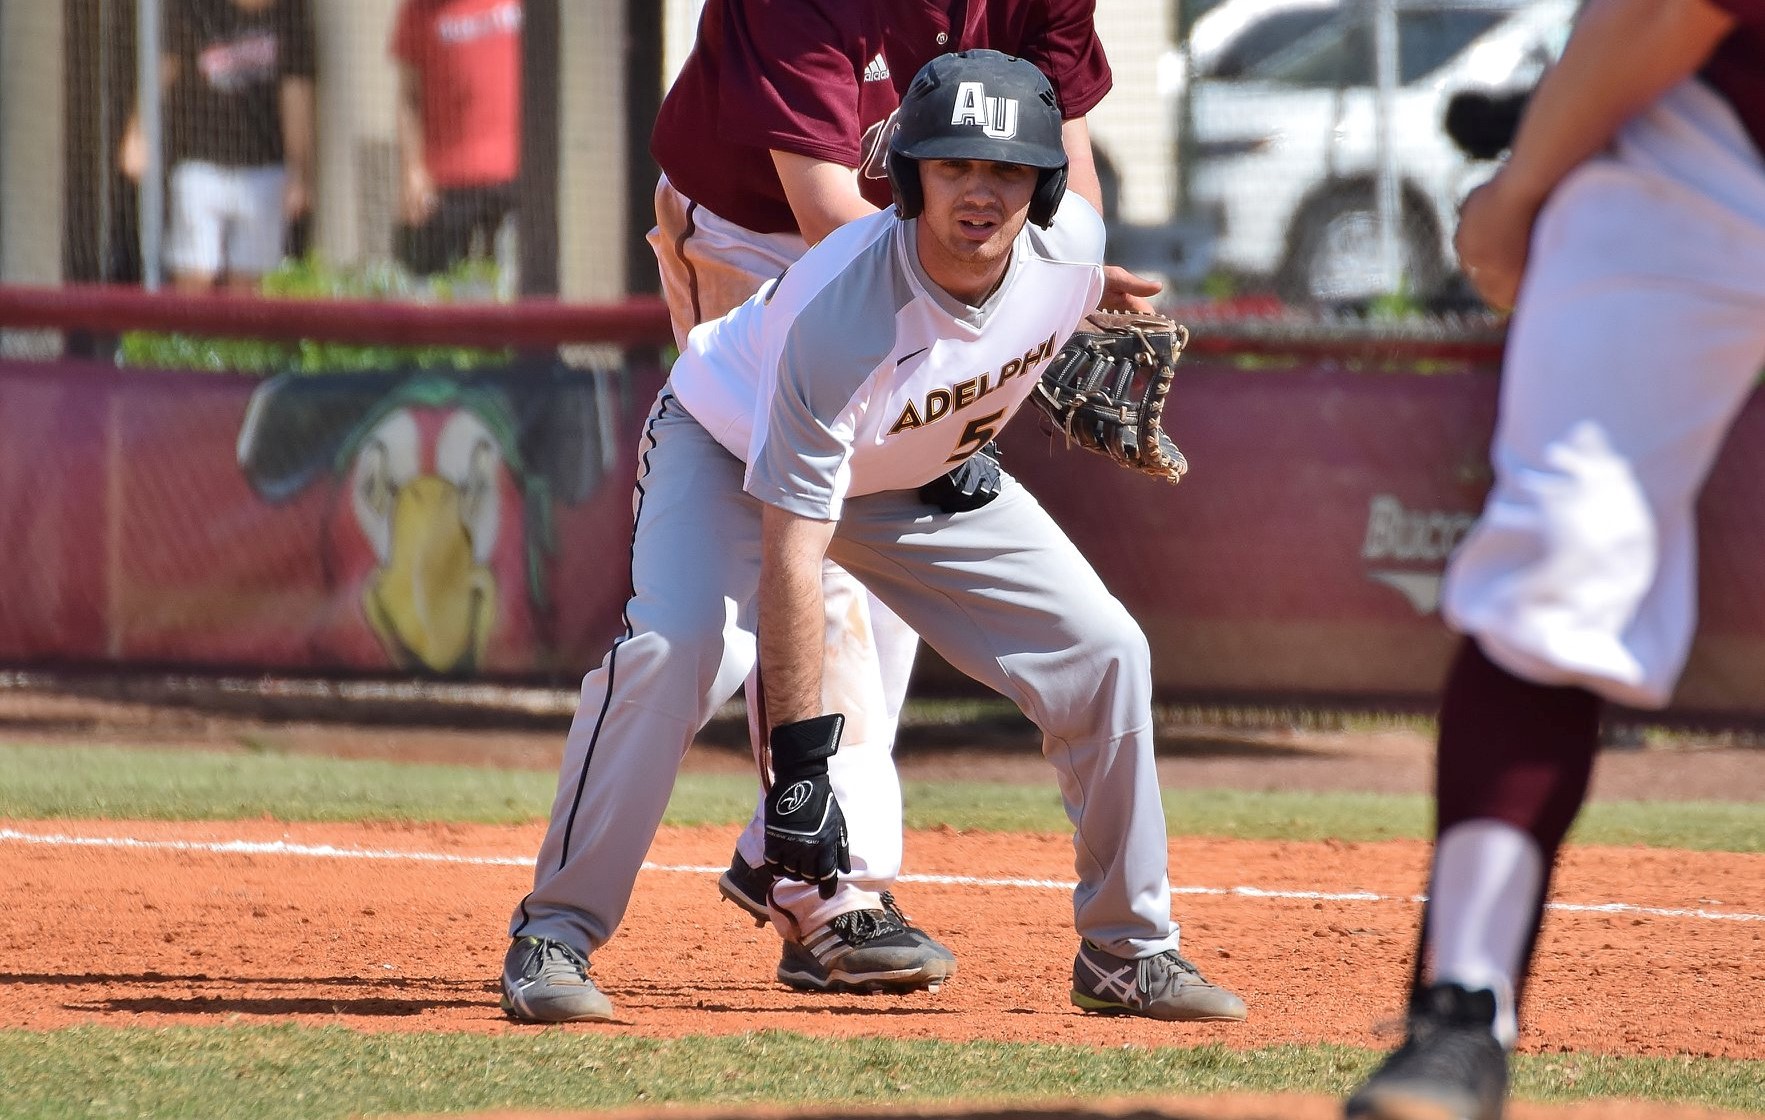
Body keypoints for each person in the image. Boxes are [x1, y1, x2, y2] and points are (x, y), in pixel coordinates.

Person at [500, 49, 1248, 1027]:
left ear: (1046, 184)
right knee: (683, 646)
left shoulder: (1070, 262)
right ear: (906, 175)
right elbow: (794, 549)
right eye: (954, 166)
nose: (981, 192)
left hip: (905, 472)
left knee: (1103, 649)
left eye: (1009, 169)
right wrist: (801, 777)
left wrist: (964, 423)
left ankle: (1126, 949)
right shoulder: (842, 311)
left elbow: (1004, 335)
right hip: (728, 447)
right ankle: (553, 931)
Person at [645, 0, 1162, 996]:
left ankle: (779, 845)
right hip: (762, 234)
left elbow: (1062, 144)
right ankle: (831, 884)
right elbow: (824, 212)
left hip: (924, 239)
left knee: (888, 566)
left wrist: (1064, 282)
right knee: (815, 539)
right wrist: (987, 307)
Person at [1344, 2, 1765, 1118]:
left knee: (1559, 547)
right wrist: (1528, 187)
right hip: (1710, 146)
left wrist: (1516, 194)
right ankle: (1460, 1008)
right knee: (1560, 555)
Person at [121, 0, 317, 294]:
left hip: (264, 171)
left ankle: (244, 341)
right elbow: (162, 70)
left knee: (249, 289)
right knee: (195, 276)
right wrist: (137, 133)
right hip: (200, 165)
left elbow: (296, 97)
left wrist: (299, 172)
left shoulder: (290, 17)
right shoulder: (195, 9)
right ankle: (189, 339)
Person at [387, 0, 522, 277]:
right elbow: (408, 99)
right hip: (446, 185)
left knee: (513, 294)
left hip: (515, 177)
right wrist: (413, 171)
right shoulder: (420, 10)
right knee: (434, 286)